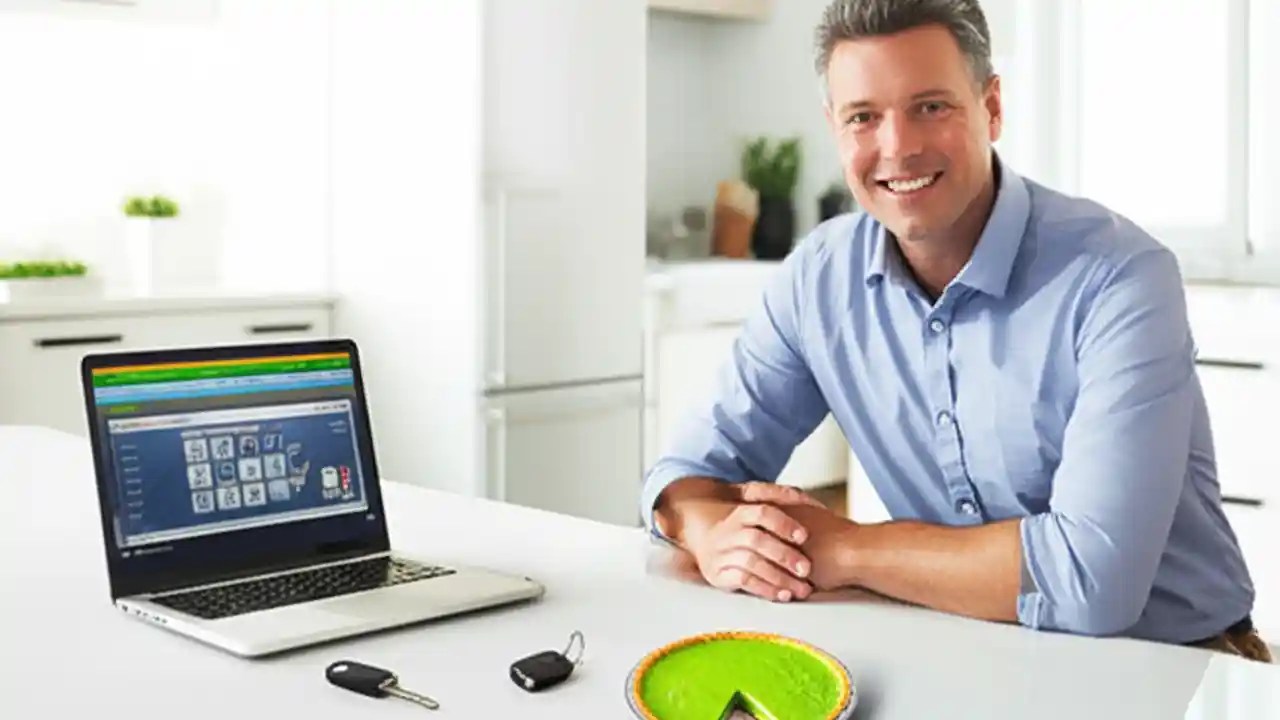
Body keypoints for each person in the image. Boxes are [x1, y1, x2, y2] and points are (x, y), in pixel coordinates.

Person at [641, 0, 1271, 662]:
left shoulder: (1119, 277)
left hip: (1180, 663)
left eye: (931, 107)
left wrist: (845, 546)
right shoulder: (817, 280)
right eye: (864, 117)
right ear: (835, 128)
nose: (897, 146)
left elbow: (1093, 583)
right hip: (973, 652)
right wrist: (712, 534)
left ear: (991, 108)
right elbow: (684, 476)